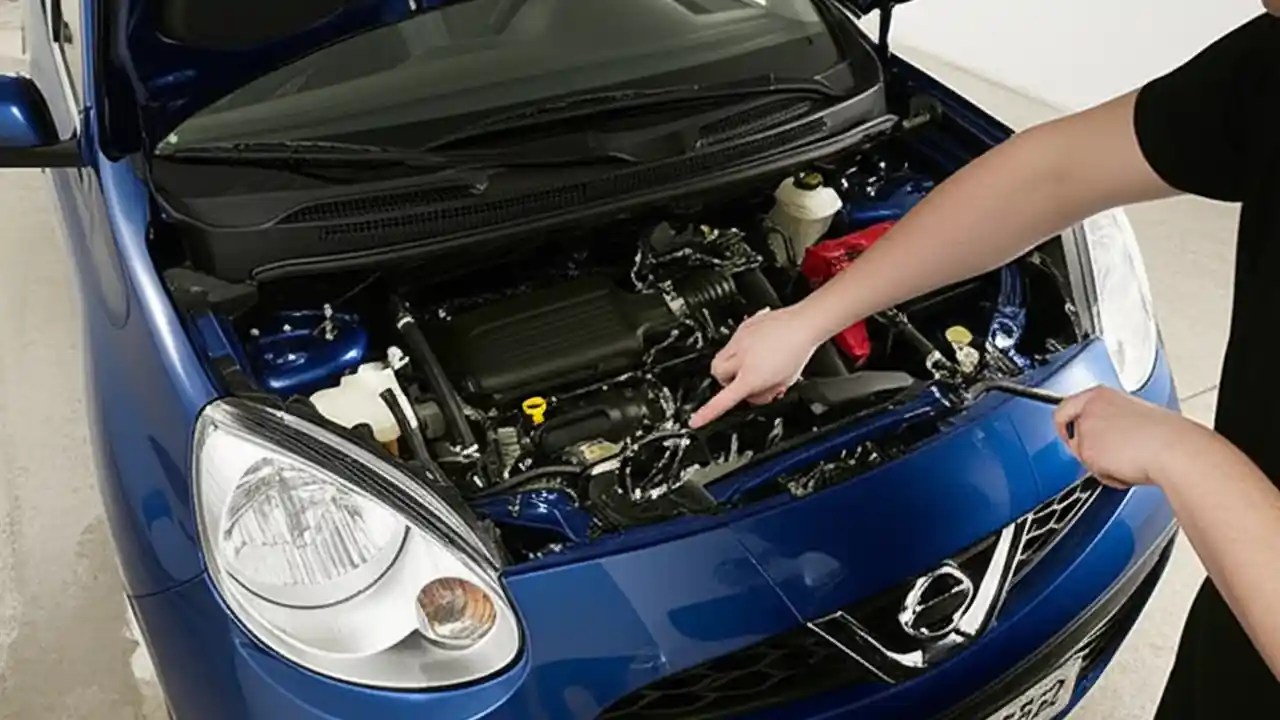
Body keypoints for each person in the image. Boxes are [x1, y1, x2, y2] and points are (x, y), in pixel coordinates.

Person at [688, 7, 1280, 718]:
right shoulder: (1273, 60)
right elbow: (1051, 175)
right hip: (1245, 605)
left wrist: (1184, 457)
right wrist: (811, 317)